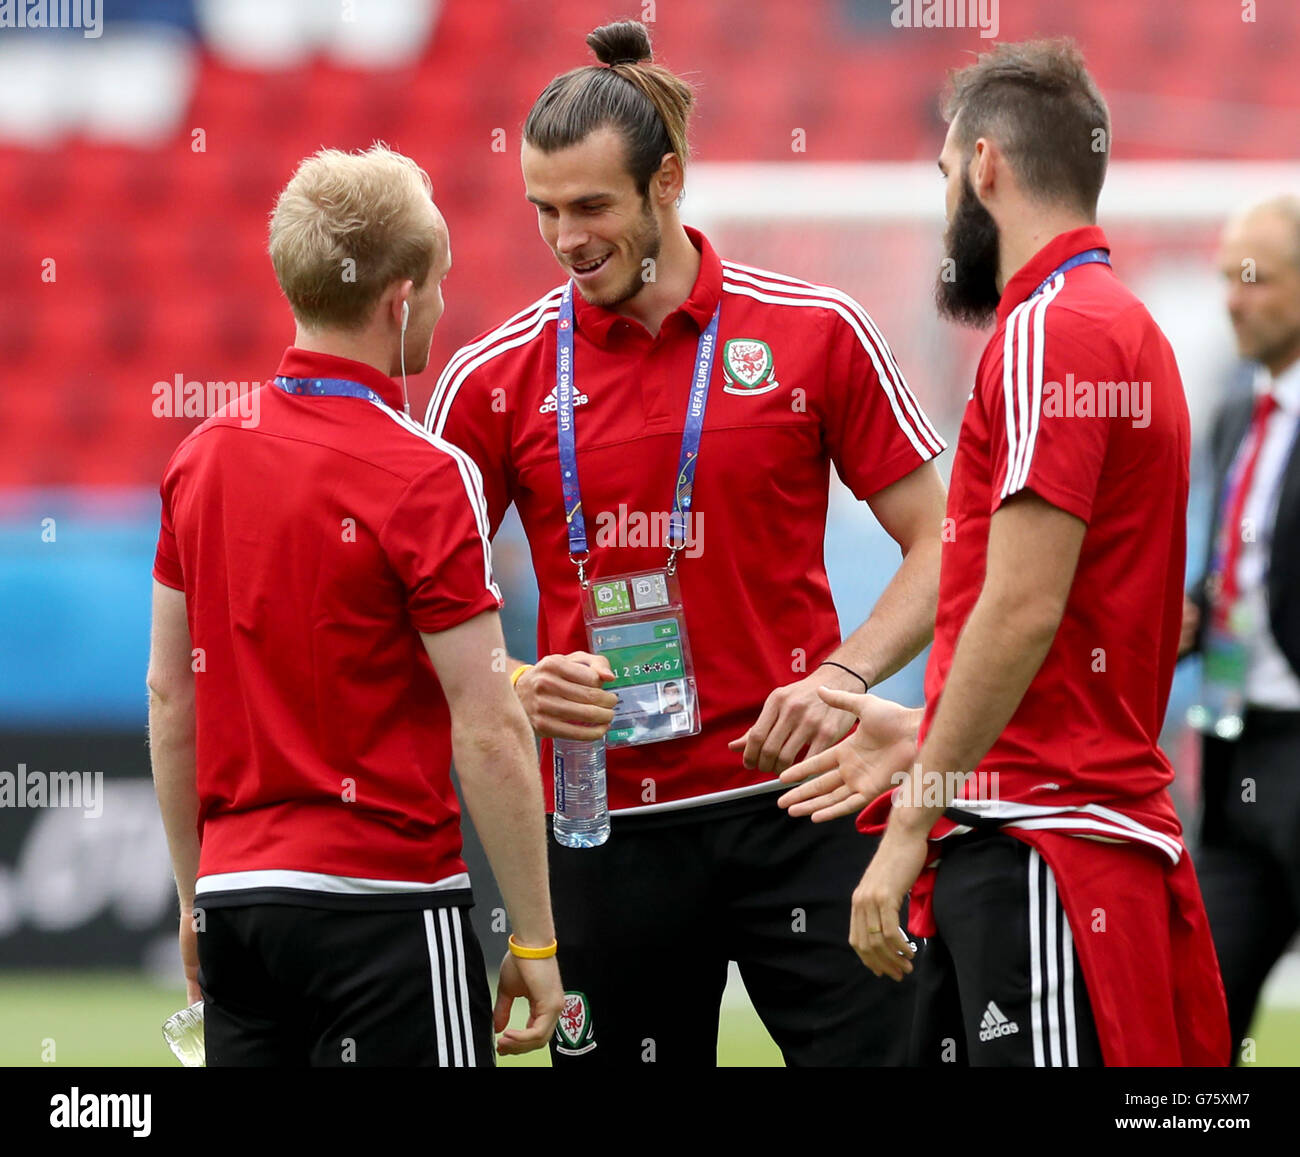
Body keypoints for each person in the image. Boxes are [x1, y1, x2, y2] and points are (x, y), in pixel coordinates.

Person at [425, 20, 948, 1067]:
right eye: (543, 210)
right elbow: (405, 604)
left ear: (666, 182)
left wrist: (844, 669)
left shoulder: (816, 331)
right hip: (603, 824)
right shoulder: (491, 377)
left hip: (802, 796)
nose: (566, 237)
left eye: (590, 207)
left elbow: (946, 538)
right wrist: (515, 683)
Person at [779, 39, 1230, 1066]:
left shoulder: (1049, 332)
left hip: (1043, 850)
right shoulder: (1124, 329)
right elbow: (1065, 626)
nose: (945, 210)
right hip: (1047, 826)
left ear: (984, 165)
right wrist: (924, 728)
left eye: (944, 177)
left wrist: (907, 827)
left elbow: (1020, 607)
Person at [147, 144, 562, 1066]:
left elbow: (173, 698)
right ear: (402, 299)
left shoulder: (199, 459)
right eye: (442, 285)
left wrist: (192, 897)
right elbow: (487, 722)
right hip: (387, 902)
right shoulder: (425, 472)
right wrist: (534, 939)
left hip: (238, 902)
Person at [1181, 195, 1300, 1061]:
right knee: (1195, 1022)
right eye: (1225, 276)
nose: (1232, 296)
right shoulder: (1235, 417)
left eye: (1253, 276)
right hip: (1236, 752)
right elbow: (1241, 571)